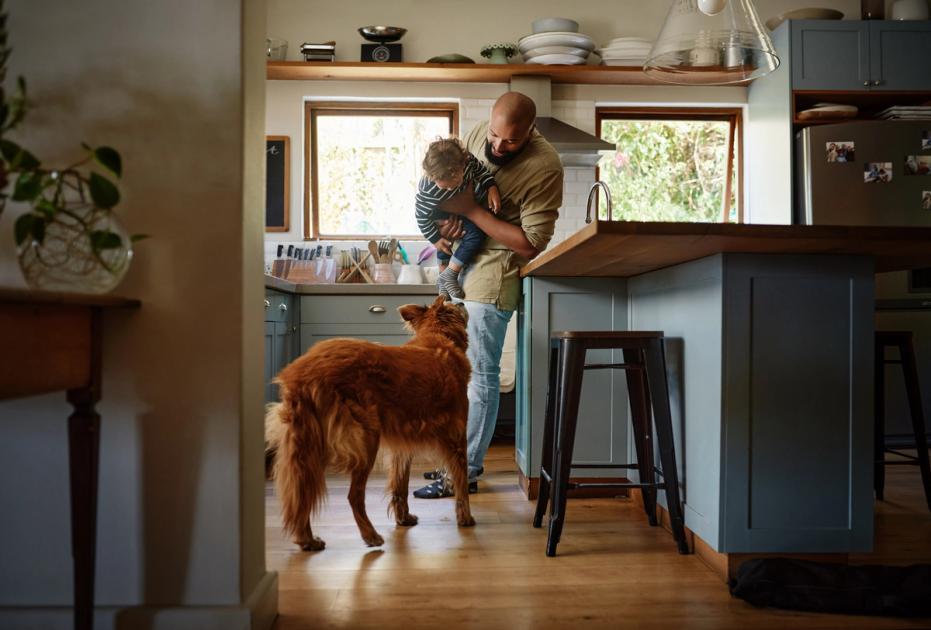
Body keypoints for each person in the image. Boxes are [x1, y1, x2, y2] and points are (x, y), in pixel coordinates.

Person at [414, 91, 563, 499]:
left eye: (510, 142)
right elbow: (447, 189)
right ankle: (456, 463)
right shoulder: (481, 133)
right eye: (494, 136)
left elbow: (532, 244)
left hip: (493, 275)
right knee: (457, 375)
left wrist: (472, 211)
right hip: (462, 267)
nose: (497, 147)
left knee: (480, 376)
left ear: (530, 131)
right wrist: (444, 228)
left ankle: (467, 472)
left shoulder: (545, 166)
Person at [415, 137, 501, 299]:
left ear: (463, 165)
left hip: (462, 209)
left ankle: (450, 273)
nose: (449, 188)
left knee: (476, 234)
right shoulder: (429, 190)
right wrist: (435, 239)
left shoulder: (468, 162)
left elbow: (481, 171)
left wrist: (491, 187)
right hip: (438, 215)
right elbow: (420, 215)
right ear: (432, 177)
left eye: (455, 183)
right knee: (444, 245)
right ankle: (443, 279)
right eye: (444, 186)